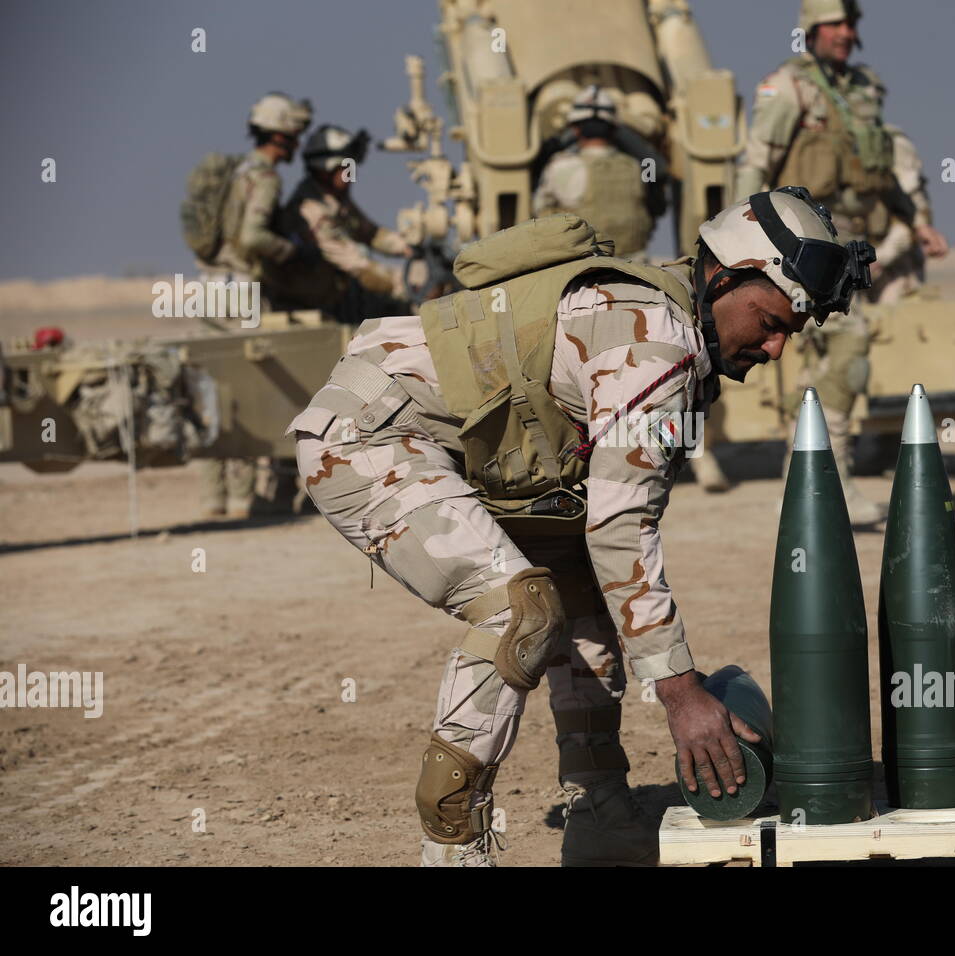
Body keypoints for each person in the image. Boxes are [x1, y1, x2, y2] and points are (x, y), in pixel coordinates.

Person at [287, 187, 874, 865]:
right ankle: (453, 848)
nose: (774, 348)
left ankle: (600, 809)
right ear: (725, 276)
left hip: (444, 448)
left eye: (789, 334)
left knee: (586, 599)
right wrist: (681, 694)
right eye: (769, 320)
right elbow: (621, 527)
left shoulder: (677, 331)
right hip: (366, 439)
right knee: (519, 614)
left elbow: (610, 537)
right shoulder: (659, 347)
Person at [731, 0, 947, 520]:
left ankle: (813, 474)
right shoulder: (787, 87)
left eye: (851, 23)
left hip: (858, 242)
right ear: (811, 30)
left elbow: (885, 163)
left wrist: (917, 222)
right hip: (808, 243)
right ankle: (831, 479)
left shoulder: (862, 90)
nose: (845, 33)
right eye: (834, 24)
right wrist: (741, 237)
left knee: (837, 358)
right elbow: (756, 162)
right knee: (846, 347)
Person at [199, 92, 312, 519]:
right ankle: (250, 497)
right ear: (282, 137)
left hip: (208, 288)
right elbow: (252, 238)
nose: (297, 144)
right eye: (295, 135)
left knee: (213, 390)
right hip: (241, 290)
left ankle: (214, 496)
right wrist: (291, 252)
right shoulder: (264, 176)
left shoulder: (235, 172)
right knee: (250, 392)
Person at [281, 124, 422, 322]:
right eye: (346, 167)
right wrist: (408, 285)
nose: (352, 174)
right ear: (324, 170)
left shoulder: (337, 200)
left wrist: (411, 248)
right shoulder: (311, 212)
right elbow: (360, 267)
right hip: (320, 305)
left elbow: (370, 233)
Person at [533, 85, 661, 261]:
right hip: (635, 268)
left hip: (582, 268)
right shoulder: (636, 167)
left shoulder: (559, 166)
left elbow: (540, 211)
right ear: (614, 129)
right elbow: (655, 197)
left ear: (576, 129)